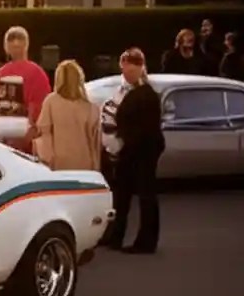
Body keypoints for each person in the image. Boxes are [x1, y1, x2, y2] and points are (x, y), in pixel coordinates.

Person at [100, 48, 164, 254]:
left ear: (140, 67)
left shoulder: (147, 94)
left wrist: (126, 141)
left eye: (131, 67)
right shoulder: (122, 91)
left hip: (143, 150)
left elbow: (147, 127)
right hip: (127, 149)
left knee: (146, 195)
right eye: (124, 67)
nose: (126, 72)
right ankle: (116, 236)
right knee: (122, 195)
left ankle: (146, 241)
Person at [35, 60, 100, 171]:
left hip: (58, 162)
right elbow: (95, 142)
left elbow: (43, 131)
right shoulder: (90, 107)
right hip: (84, 162)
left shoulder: (51, 101)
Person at [0, 26, 52, 151]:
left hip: (8, 132)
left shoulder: (2, 72)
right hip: (26, 132)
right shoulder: (37, 72)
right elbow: (41, 103)